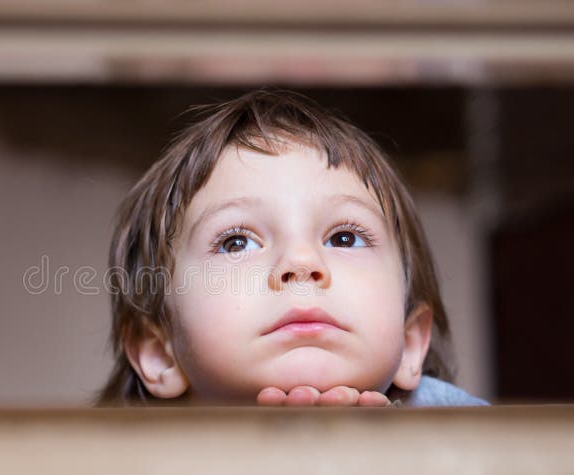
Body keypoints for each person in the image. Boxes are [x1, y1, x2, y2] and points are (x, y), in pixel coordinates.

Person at [94, 89, 488, 407]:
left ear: (410, 346)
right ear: (160, 354)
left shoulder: (468, 442)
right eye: (236, 241)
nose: (301, 263)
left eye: (343, 237)